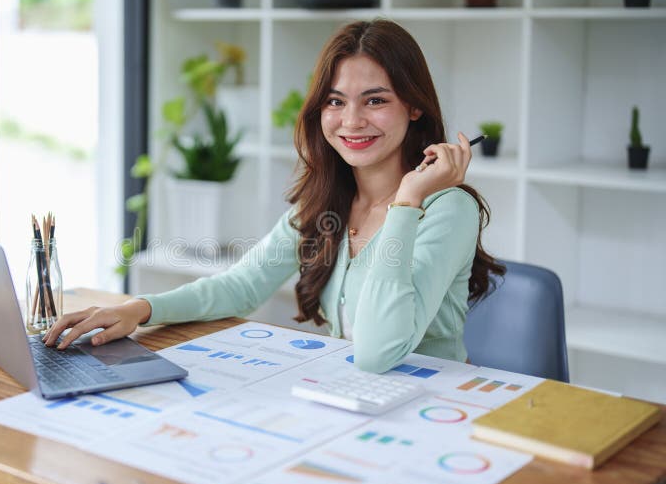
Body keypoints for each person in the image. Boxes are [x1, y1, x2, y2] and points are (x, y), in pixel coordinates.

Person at [43, 19, 505, 373]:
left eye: (376, 100)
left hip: (433, 412)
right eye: (335, 101)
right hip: (352, 401)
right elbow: (242, 285)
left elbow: (377, 352)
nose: (351, 121)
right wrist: (139, 308)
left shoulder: (448, 209)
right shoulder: (328, 204)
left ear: (414, 105)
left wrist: (406, 203)